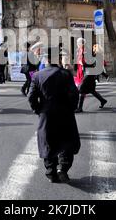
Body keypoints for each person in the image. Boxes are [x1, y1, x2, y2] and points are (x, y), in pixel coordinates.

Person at [28, 47, 80, 183]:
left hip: (46, 113)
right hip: (65, 112)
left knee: (48, 141)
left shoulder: (37, 75)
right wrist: (72, 108)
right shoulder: (66, 74)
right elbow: (74, 94)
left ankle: (51, 171)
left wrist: (38, 110)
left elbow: (31, 97)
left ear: (46, 59)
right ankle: (63, 169)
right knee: (66, 141)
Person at [75, 38, 107, 113]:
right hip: (87, 72)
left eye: (78, 43)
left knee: (81, 88)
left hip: (89, 72)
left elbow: (89, 62)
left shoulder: (86, 50)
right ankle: (102, 100)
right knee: (91, 89)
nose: (77, 44)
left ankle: (79, 108)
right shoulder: (81, 50)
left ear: (81, 43)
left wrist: (82, 63)